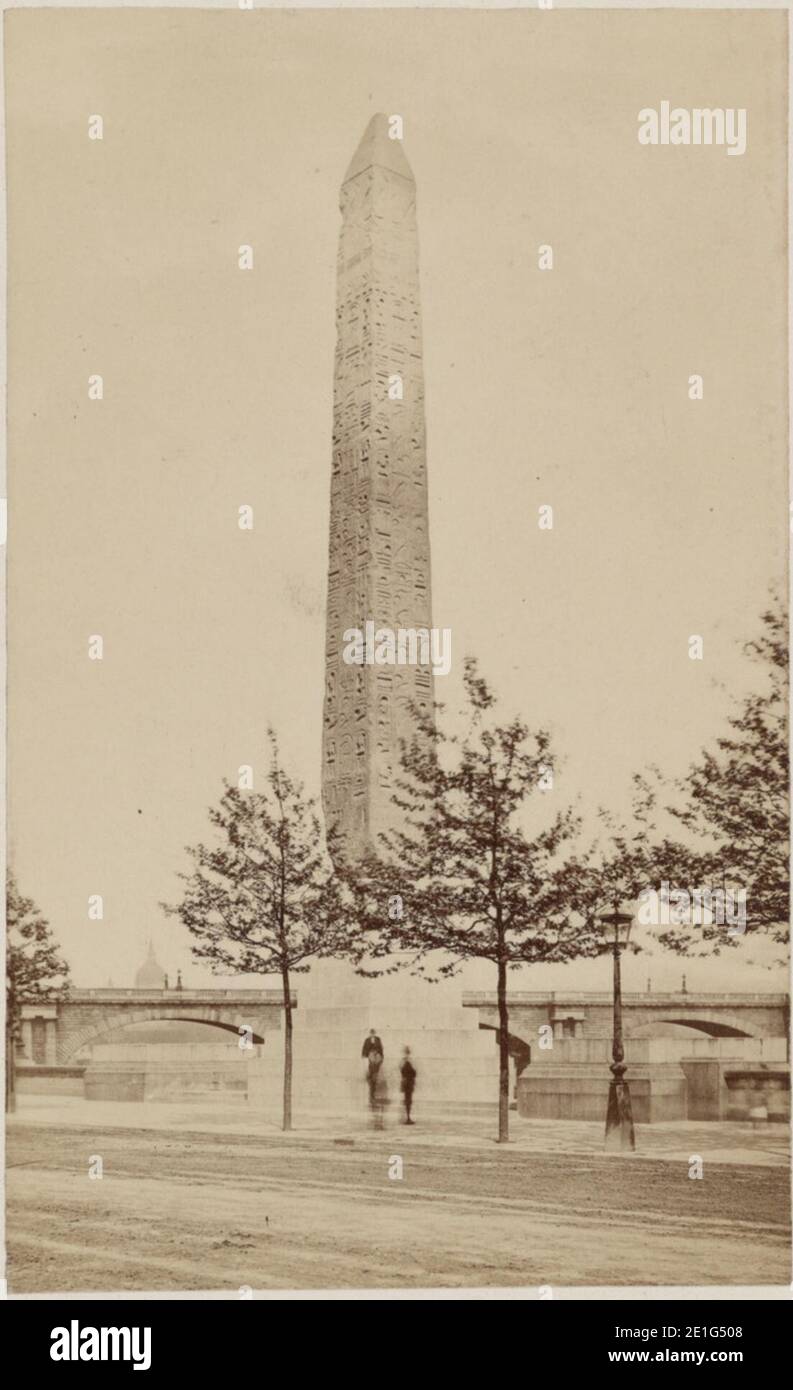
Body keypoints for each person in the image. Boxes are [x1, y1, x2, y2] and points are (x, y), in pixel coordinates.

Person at [400, 1046, 417, 1125]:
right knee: (408, 1101)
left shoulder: (403, 1061)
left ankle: (407, 1117)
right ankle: (407, 1117)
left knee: (407, 1100)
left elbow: (402, 1071)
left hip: (406, 1083)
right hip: (409, 1083)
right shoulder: (409, 1061)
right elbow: (414, 1073)